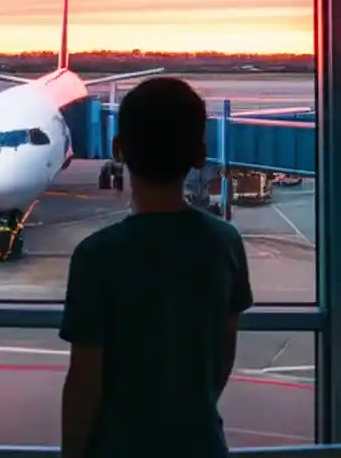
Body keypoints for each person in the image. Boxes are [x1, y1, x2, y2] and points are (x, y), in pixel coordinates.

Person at [59, 77, 254, 458]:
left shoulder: (96, 256)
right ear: (200, 154)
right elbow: (224, 353)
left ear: (118, 149)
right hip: (201, 444)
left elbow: (85, 379)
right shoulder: (225, 242)